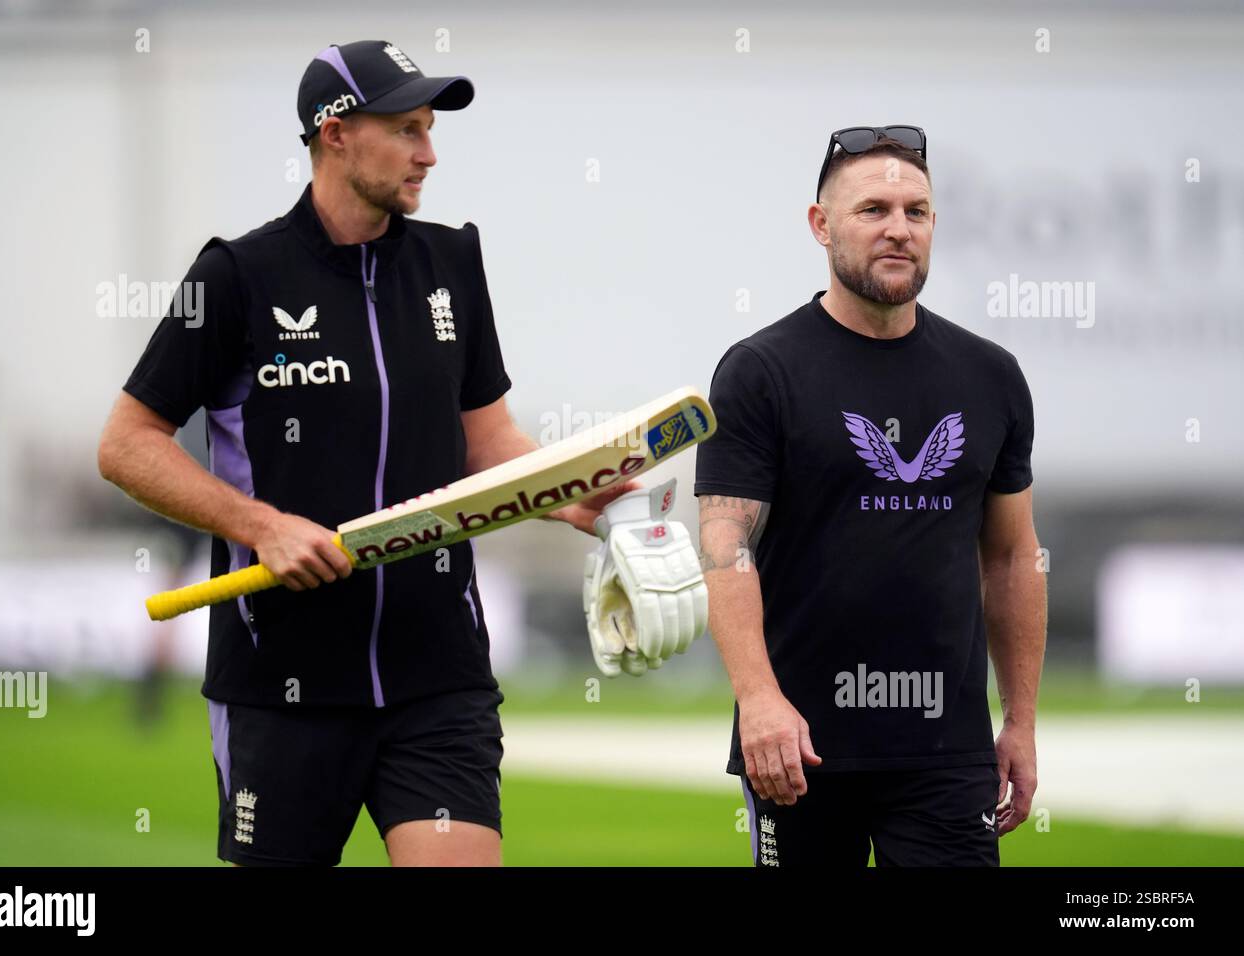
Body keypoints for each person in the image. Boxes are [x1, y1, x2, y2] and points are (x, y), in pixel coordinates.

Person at [97, 40, 628, 867]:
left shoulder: (452, 263)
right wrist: (261, 524)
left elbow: (489, 442)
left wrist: (567, 494)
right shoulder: (237, 275)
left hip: (438, 676)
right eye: (408, 129)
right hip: (283, 683)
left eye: (430, 130)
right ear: (335, 133)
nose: (430, 153)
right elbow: (127, 444)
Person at [694, 126, 1046, 867]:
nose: (898, 229)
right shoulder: (760, 372)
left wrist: (1020, 720)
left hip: (946, 748)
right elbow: (725, 547)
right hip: (800, 749)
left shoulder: (990, 376)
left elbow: (1014, 557)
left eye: (916, 212)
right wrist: (758, 700)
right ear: (821, 226)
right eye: (873, 209)